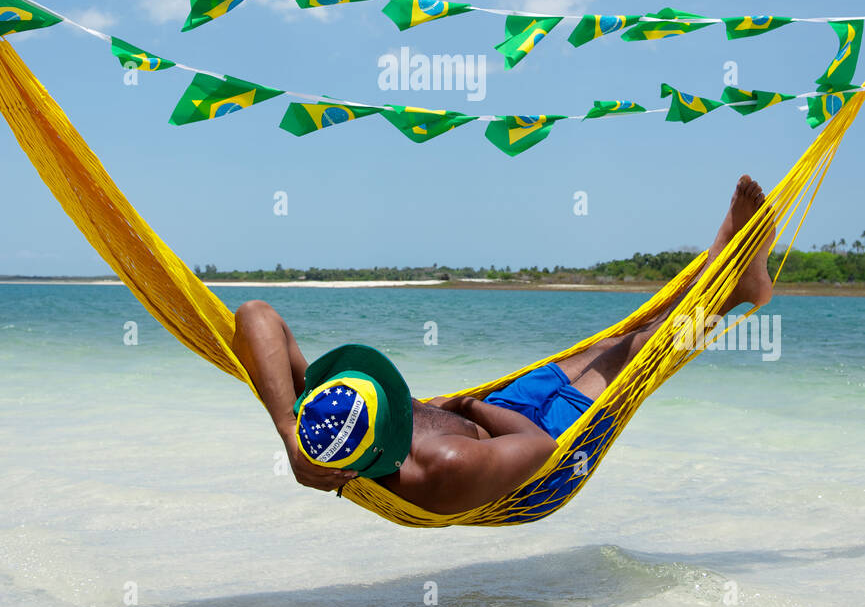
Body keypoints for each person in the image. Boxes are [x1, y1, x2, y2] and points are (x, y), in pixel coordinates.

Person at [232, 176, 774, 517]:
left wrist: (286, 430)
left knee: (615, 339)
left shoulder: (324, 420)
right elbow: (539, 448)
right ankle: (732, 296)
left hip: (500, 420)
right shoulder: (441, 464)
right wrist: (467, 405)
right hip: (539, 463)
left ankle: (717, 266)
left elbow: (255, 315)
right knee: (641, 352)